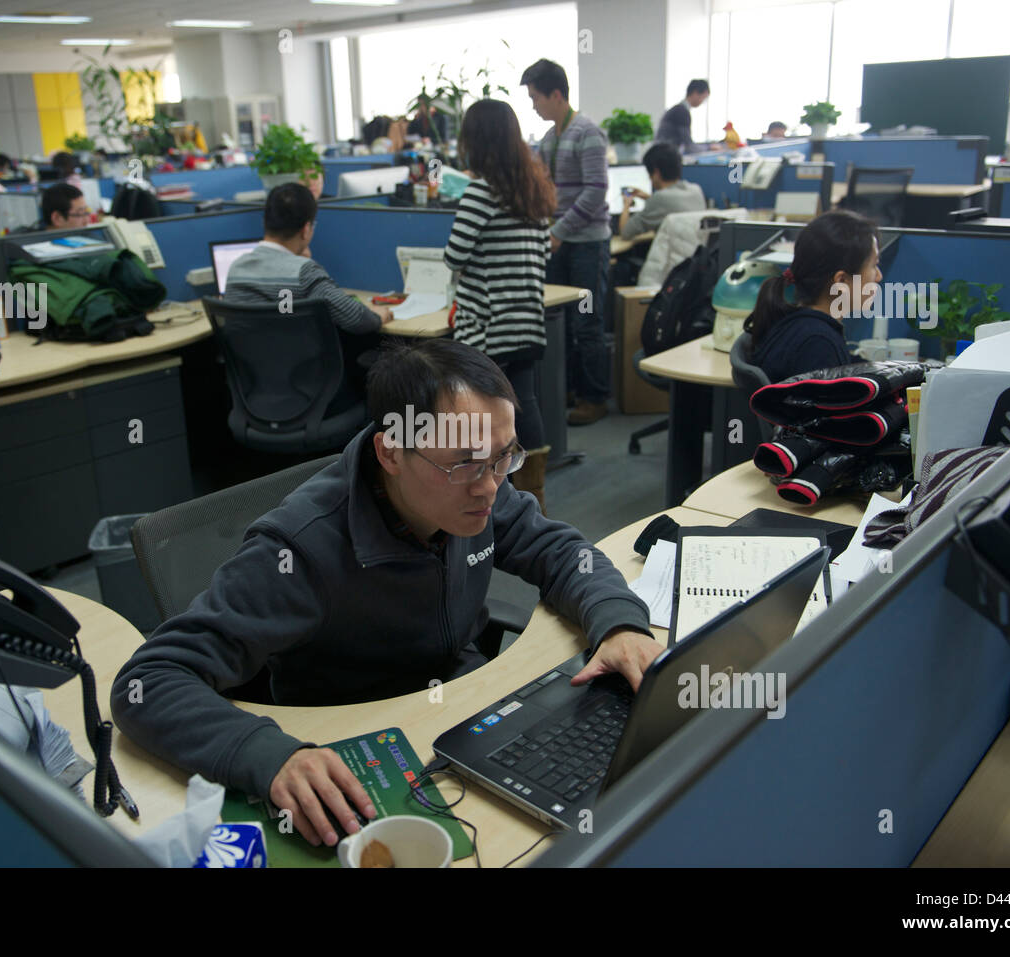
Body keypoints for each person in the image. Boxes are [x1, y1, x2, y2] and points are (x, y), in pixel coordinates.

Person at [111, 337, 660, 848]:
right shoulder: (299, 551)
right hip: (356, 743)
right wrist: (268, 755)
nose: (492, 484)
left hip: (457, 708)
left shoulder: (478, 490)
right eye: (465, 462)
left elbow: (563, 552)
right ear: (391, 453)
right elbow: (149, 680)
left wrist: (618, 622)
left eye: (504, 456)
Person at [443, 99, 555, 511]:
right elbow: (544, 252)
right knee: (524, 402)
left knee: (477, 411)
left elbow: (454, 256)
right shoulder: (535, 190)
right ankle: (533, 495)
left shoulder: (480, 191)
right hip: (526, 322)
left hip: (487, 327)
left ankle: (481, 494)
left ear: (476, 141)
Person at [224, 182, 393, 411]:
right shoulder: (303, 272)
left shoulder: (236, 270)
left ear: (265, 223)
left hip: (257, 400)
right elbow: (357, 319)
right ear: (306, 229)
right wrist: (379, 315)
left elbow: (278, 312)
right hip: (314, 401)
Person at [521, 58, 611, 426]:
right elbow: (546, 191)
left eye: (536, 98)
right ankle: (571, 388)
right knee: (559, 321)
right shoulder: (548, 138)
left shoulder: (588, 132)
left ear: (557, 94)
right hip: (558, 241)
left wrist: (560, 230)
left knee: (587, 321)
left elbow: (595, 191)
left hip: (586, 243)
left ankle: (595, 397)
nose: (533, 105)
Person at [746, 209, 880, 383]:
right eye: (874, 266)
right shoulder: (818, 345)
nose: (878, 276)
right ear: (841, 281)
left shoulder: (801, 325)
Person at [617, 143, 706, 240]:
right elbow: (671, 205)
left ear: (656, 172)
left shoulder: (659, 198)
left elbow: (625, 232)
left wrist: (626, 204)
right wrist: (648, 198)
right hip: (693, 253)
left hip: (669, 254)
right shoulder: (695, 190)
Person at [655, 80, 720, 154]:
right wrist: (709, 148)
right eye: (704, 98)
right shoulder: (682, 112)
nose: (702, 102)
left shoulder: (677, 109)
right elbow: (689, 147)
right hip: (666, 156)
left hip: (661, 153)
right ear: (695, 93)